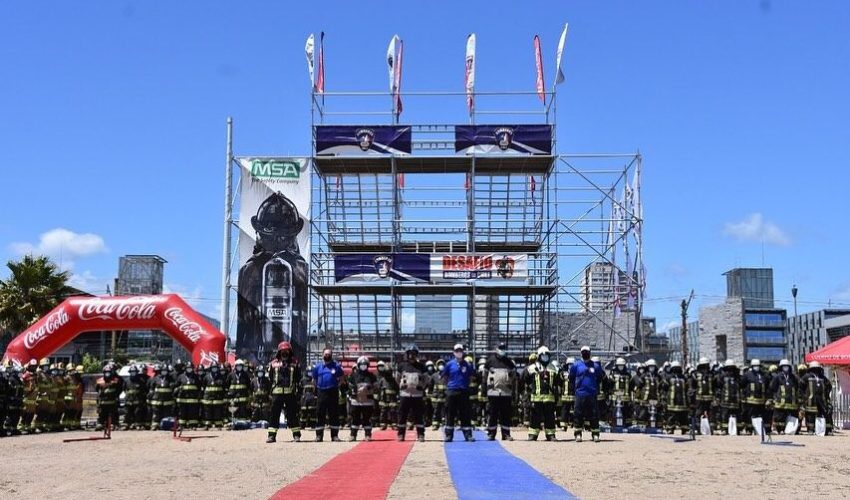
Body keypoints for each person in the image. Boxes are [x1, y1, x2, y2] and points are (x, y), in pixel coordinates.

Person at [267, 341, 303, 443]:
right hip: (277, 393)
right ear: (279, 351)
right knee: (274, 414)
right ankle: (271, 436)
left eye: (286, 350)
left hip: (290, 393)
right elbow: (270, 377)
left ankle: (296, 435)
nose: (284, 352)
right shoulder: (273, 363)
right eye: (282, 351)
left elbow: (298, 378)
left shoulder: (295, 363)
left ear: (290, 351)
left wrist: (298, 392)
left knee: (292, 414)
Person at [569, 346, 604, 442]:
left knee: (594, 414)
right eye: (583, 352)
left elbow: (600, 378)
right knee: (578, 414)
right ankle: (578, 434)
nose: (585, 353)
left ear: (590, 353)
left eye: (587, 352)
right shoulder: (576, 365)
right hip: (580, 394)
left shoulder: (595, 366)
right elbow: (571, 378)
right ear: (581, 353)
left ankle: (595, 434)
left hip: (592, 394)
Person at [525, 346, 560, 441]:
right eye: (543, 356)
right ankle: (533, 435)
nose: (545, 357)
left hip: (549, 398)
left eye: (547, 355)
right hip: (536, 398)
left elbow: (558, 382)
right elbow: (524, 379)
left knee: (550, 417)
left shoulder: (554, 368)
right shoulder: (531, 368)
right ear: (539, 356)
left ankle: (550, 435)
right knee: (535, 417)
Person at [442, 344, 474, 442]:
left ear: (463, 352)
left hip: (463, 391)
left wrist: (465, 385)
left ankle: (468, 435)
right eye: (457, 351)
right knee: (450, 413)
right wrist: (449, 386)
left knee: (465, 414)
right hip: (452, 391)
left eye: (460, 350)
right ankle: (449, 435)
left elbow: (471, 376)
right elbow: (444, 376)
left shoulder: (467, 365)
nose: (459, 352)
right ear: (454, 352)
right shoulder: (449, 364)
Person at [396, 344, 428, 442]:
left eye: (414, 354)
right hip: (404, 394)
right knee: (402, 415)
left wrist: (422, 386)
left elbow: (426, 379)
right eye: (410, 353)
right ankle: (401, 434)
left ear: (416, 355)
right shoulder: (401, 366)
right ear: (407, 354)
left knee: (419, 415)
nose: (411, 356)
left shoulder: (421, 367)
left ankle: (421, 434)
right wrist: (401, 386)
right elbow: (397, 378)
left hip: (417, 395)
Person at [484, 343, 516, 441]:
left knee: (505, 414)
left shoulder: (509, 362)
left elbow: (514, 376)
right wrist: (484, 390)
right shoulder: (490, 361)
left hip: (506, 392)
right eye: (501, 348)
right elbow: (484, 376)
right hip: (493, 392)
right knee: (493, 414)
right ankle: (491, 434)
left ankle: (506, 434)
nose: (502, 350)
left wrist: (513, 391)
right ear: (496, 349)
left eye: (504, 348)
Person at [312, 347, 344, 442]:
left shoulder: (336, 366)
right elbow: (314, 380)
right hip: (321, 392)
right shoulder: (317, 367)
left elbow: (342, 378)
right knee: (320, 414)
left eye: (329, 354)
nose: (327, 355)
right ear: (322, 355)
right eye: (325, 354)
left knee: (333, 414)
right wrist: (316, 389)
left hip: (333, 392)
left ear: (331, 355)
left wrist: (336, 386)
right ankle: (319, 436)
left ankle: (334, 436)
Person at [347, 356, 377, 441]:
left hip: (368, 401)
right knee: (355, 418)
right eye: (361, 364)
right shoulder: (353, 375)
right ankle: (353, 435)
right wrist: (354, 390)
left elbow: (376, 387)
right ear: (358, 364)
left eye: (365, 364)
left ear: (368, 365)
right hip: (356, 400)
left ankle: (368, 435)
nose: (363, 366)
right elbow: (349, 386)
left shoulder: (371, 376)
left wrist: (369, 388)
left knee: (367, 418)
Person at [800, 361, 832, 435]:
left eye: (817, 368)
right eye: (814, 368)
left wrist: (826, 395)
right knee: (810, 415)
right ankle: (811, 429)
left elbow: (829, 386)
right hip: (810, 400)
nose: (815, 370)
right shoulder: (806, 377)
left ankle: (826, 430)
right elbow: (800, 387)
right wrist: (804, 396)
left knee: (823, 414)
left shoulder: (822, 377)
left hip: (822, 400)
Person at [768, 359, 798, 434]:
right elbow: (772, 387)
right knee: (779, 417)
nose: (785, 368)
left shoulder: (793, 377)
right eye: (784, 366)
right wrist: (774, 397)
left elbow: (797, 387)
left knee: (791, 416)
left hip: (791, 402)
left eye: (787, 366)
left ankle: (788, 430)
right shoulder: (777, 377)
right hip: (780, 401)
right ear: (781, 367)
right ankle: (780, 429)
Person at [741, 359, 770, 435]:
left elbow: (767, 386)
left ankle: (761, 430)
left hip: (761, 401)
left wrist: (768, 399)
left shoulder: (763, 375)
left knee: (762, 416)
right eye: (755, 366)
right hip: (750, 400)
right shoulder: (747, 375)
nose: (756, 367)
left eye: (758, 366)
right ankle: (749, 430)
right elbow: (742, 385)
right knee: (749, 415)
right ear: (752, 366)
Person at [661, 361, 689, 434]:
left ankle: (684, 429)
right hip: (671, 400)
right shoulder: (668, 377)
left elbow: (687, 388)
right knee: (671, 416)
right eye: (675, 368)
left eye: (677, 368)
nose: (676, 370)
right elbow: (664, 388)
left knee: (683, 416)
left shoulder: (684, 377)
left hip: (682, 400)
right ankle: (670, 428)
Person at [688, 357, 715, 434]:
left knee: (711, 413)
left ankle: (710, 429)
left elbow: (714, 385)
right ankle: (697, 428)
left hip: (709, 398)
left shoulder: (711, 374)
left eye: (706, 366)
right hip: (699, 398)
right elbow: (692, 386)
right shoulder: (695, 375)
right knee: (698, 413)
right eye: (703, 366)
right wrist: (692, 396)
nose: (705, 368)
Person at [174, 362, 202, 430]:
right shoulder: (181, 376)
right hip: (182, 399)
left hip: (193, 399)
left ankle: (192, 425)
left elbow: (199, 387)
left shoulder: (196, 377)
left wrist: (198, 396)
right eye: (188, 368)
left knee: (192, 412)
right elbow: (176, 386)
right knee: (182, 413)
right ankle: (182, 425)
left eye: (190, 368)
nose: (189, 369)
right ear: (185, 369)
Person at [716, 359, 741, 435]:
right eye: (729, 368)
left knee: (737, 415)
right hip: (725, 400)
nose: (730, 370)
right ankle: (725, 429)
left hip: (736, 400)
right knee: (724, 415)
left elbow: (741, 385)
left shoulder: (737, 376)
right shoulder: (722, 376)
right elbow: (718, 386)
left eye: (732, 368)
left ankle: (737, 429)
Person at [95, 364, 123, 432]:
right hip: (102, 403)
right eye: (106, 372)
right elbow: (97, 390)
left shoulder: (116, 380)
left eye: (109, 372)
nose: (107, 374)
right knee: (102, 416)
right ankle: (100, 425)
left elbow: (120, 389)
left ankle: (114, 424)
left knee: (113, 415)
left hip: (112, 403)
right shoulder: (99, 381)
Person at [635, 359, 662, 429]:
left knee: (657, 414)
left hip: (656, 398)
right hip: (645, 398)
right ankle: (642, 427)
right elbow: (639, 386)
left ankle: (657, 427)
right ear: (647, 367)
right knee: (643, 413)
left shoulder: (658, 376)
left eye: (653, 367)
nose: (652, 368)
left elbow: (661, 386)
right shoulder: (643, 376)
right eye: (650, 367)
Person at [148, 364, 176, 431]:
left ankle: (166, 426)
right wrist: (150, 396)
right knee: (156, 414)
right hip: (157, 400)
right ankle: (155, 426)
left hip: (167, 401)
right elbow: (151, 388)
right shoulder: (155, 378)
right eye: (163, 370)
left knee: (167, 414)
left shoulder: (171, 379)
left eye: (165, 371)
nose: (164, 372)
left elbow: (174, 388)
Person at [608, 358, 633, 427]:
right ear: (616, 366)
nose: (620, 367)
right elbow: (609, 386)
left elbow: (631, 387)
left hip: (626, 398)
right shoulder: (612, 375)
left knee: (626, 412)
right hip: (615, 397)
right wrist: (609, 396)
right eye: (619, 366)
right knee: (613, 411)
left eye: (622, 366)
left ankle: (626, 424)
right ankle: (613, 423)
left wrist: (631, 398)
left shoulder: (628, 375)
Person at [202, 363, 227, 430]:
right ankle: (207, 425)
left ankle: (218, 425)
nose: (214, 369)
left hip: (218, 398)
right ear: (210, 368)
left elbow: (224, 387)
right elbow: (204, 386)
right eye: (213, 368)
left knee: (218, 411)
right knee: (207, 411)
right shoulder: (206, 377)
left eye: (215, 368)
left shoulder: (221, 377)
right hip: (208, 398)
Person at [123, 364, 148, 430]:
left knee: (137, 413)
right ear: (130, 372)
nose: (133, 373)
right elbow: (124, 389)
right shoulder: (126, 380)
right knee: (127, 413)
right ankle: (126, 425)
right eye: (132, 372)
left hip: (138, 401)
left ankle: (137, 425)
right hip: (128, 401)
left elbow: (144, 390)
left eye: (134, 372)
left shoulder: (141, 381)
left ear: (137, 372)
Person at [377, 361, 398, 430]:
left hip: (392, 399)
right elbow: (378, 389)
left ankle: (394, 424)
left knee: (393, 411)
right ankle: (383, 424)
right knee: (383, 412)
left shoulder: (393, 380)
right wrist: (379, 398)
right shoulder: (382, 380)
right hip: (384, 399)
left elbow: (397, 389)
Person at [4, 363, 24, 436]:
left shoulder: (19, 380)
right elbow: (8, 391)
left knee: (17, 415)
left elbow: (21, 390)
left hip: (18, 400)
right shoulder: (11, 379)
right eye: (19, 372)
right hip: (12, 401)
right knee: (10, 415)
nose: (21, 373)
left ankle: (14, 428)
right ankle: (7, 429)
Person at [559, 357, 576, 430]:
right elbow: (559, 381)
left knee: (576, 410)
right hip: (565, 395)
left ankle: (575, 424)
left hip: (574, 395)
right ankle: (564, 425)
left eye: (572, 365)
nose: (570, 366)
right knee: (564, 411)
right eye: (569, 364)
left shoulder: (577, 372)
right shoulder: (563, 373)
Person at [300, 363, 317, 431]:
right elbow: (299, 389)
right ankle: (302, 425)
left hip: (312, 398)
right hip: (304, 398)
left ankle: (313, 425)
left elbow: (317, 389)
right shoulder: (302, 380)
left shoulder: (315, 380)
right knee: (303, 412)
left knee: (312, 412)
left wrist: (316, 396)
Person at [430, 359, 447, 430]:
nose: (441, 366)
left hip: (445, 396)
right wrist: (431, 395)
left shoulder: (447, 375)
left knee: (445, 411)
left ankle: (445, 424)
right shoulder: (434, 376)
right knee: (436, 411)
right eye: (439, 364)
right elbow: (430, 386)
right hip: (436, 397)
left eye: (442, 364)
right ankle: (435, 424)